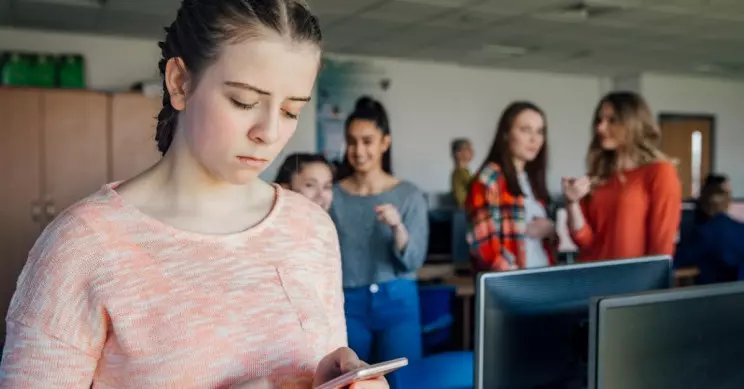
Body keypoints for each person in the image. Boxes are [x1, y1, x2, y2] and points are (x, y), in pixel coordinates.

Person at [0, 1, 386, 389]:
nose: (269, 132)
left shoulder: (311, 228)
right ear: (180, 83)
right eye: (244, 101)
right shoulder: (84, 245)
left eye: (290, 110)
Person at [329, 96, 429, 383]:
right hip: (348, 303)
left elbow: (414, 260)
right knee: (350, 384)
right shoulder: (332, 196)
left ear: (385, 142)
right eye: (351, 141)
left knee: (404, 381)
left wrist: (398, 228)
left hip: (398, 299)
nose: (358, 150)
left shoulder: (409, 195)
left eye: (367, 141)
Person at [563, 91, 682, 262]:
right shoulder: (598, 176)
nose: (600, 128)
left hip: (632, 283)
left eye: (612, 121)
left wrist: (652, 287)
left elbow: (661, 248)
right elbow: (585, 240)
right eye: (599, 120)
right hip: (592, 280)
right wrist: (571, 203)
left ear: (633, 124)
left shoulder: (660, 172)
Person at [465, 101, 556, 272]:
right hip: (515, 284)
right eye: (525, 130)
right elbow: (481, 243)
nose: (534, 139)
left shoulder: (532, 179)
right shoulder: (490, 178)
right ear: (506, 134)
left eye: (539, 131)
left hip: (543, 277)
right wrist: (511, 277)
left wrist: (551, 229)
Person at [676, 179, 743, 284]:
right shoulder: (741, 228)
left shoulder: (704, 233)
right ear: (728, 204)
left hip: (713, 295)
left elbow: (678, 260)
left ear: (704, 205)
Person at [450, 138, 474, 207]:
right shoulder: (459, 173)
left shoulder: (465, 171)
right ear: (458, 153)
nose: (471, 151)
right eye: (467, 148)